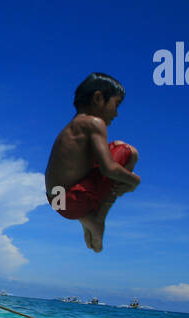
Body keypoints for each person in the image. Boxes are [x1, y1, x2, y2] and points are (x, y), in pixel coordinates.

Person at [44, 72, 140, 252]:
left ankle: (87, 218)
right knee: (129, 152)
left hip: (55, 200)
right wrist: (134, 181)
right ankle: (98, 218)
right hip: (70, 202)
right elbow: (109, 168)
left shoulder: (73, 126)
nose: (116, 113)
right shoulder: (94, 123)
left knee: (115, 147)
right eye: (116, 104)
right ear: (98, 98)